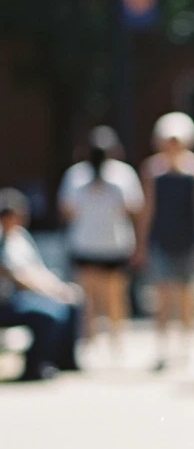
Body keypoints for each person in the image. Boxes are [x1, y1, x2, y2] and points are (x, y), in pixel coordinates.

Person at [136, 112, 194, 371]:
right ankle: (162, 346)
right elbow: (147, 209)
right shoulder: (152, 171)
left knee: (186, 295)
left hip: (188, 240)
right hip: (161, 239)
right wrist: (140, 243)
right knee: (161, 296)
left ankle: (185, 344)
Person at [58, 126, 144, 350]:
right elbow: (67, 210)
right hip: (85, 244)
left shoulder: (123, 175)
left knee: (115, 295)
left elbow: (133, 207)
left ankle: (117, 338)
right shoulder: (76, 175)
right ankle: (89, 339)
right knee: (87, 297)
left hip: (114, 245)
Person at [0, 188, 81, 381]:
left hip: (26, 296)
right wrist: (47, 292)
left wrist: (58, 288)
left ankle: (64, 360)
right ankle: (34, 365)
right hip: (7, 302)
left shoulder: (21, 237)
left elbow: (37, 269)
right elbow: (16, 277)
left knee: (72, 303)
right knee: (48, 315)